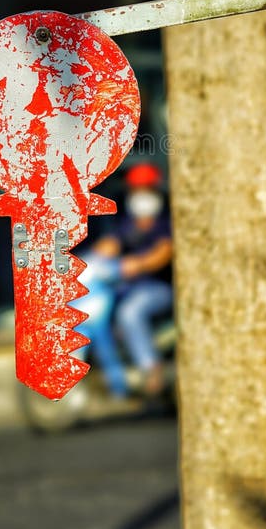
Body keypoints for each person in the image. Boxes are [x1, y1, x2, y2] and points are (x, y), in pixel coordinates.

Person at [77, 162, 173, 397]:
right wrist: (87, 261)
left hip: (158, 288)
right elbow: (111, 244)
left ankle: (151, 367)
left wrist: (140, 264)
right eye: (136, 191)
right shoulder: (128, 223)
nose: (140, 196)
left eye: (145, 190)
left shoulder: (165, 222)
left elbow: (164, 252)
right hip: (127, 286)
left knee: (130, 312)